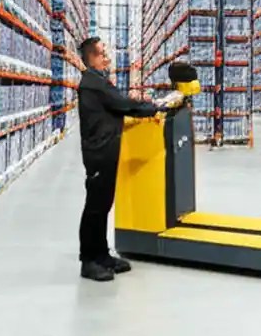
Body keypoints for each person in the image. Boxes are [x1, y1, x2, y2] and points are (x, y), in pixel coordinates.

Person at [76, 36, 182, 282]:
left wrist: (148, 106)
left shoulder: (99, 81)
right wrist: (155, 107)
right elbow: (123, 105)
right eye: (103, 53)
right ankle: (88, 261)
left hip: (107, 151)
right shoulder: (92, 84)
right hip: (99, 154)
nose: (107, 57)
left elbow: (121, 103)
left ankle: (102, 255)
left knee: (103, 205)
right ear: (92, 58)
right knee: (95, 207)